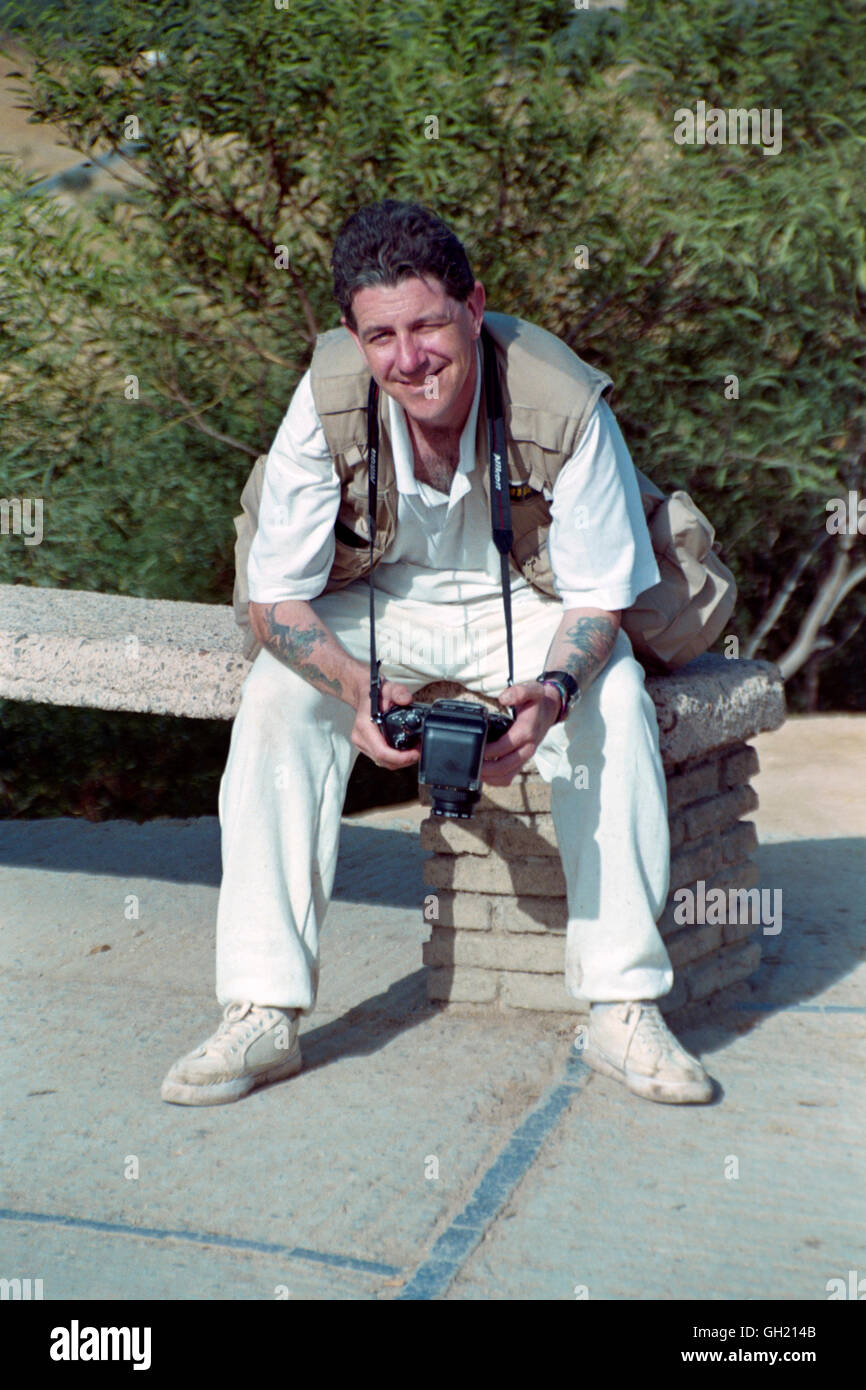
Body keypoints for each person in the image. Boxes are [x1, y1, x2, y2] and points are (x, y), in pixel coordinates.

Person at [161, 200, 715, 1108]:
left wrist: (551, 690)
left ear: (474, 305)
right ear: (351, 333)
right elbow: (276, 599)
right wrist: (351, 688)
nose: (408, 359)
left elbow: (598, 598)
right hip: (382, 603)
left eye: (426, 324)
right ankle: (260, 1009)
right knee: (274, 697)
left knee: (611, 700)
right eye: (380, 335)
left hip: (532, 601)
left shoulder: (562, 396)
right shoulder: (327, 394)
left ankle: (623, 1005)